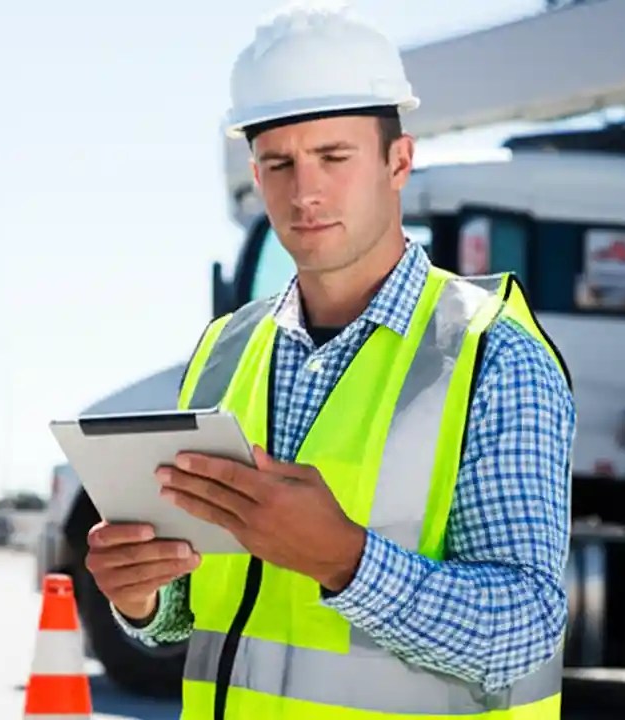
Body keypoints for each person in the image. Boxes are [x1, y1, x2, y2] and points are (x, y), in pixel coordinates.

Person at [83, 4, 575, 719]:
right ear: (255, 173)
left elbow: (523, 634)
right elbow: (192, 615)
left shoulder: (493, 356)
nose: (304, 191)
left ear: (397, 161)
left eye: (334, 157)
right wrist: (142, 597)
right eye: (279, 164)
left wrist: (345, 559)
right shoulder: (225, 353)